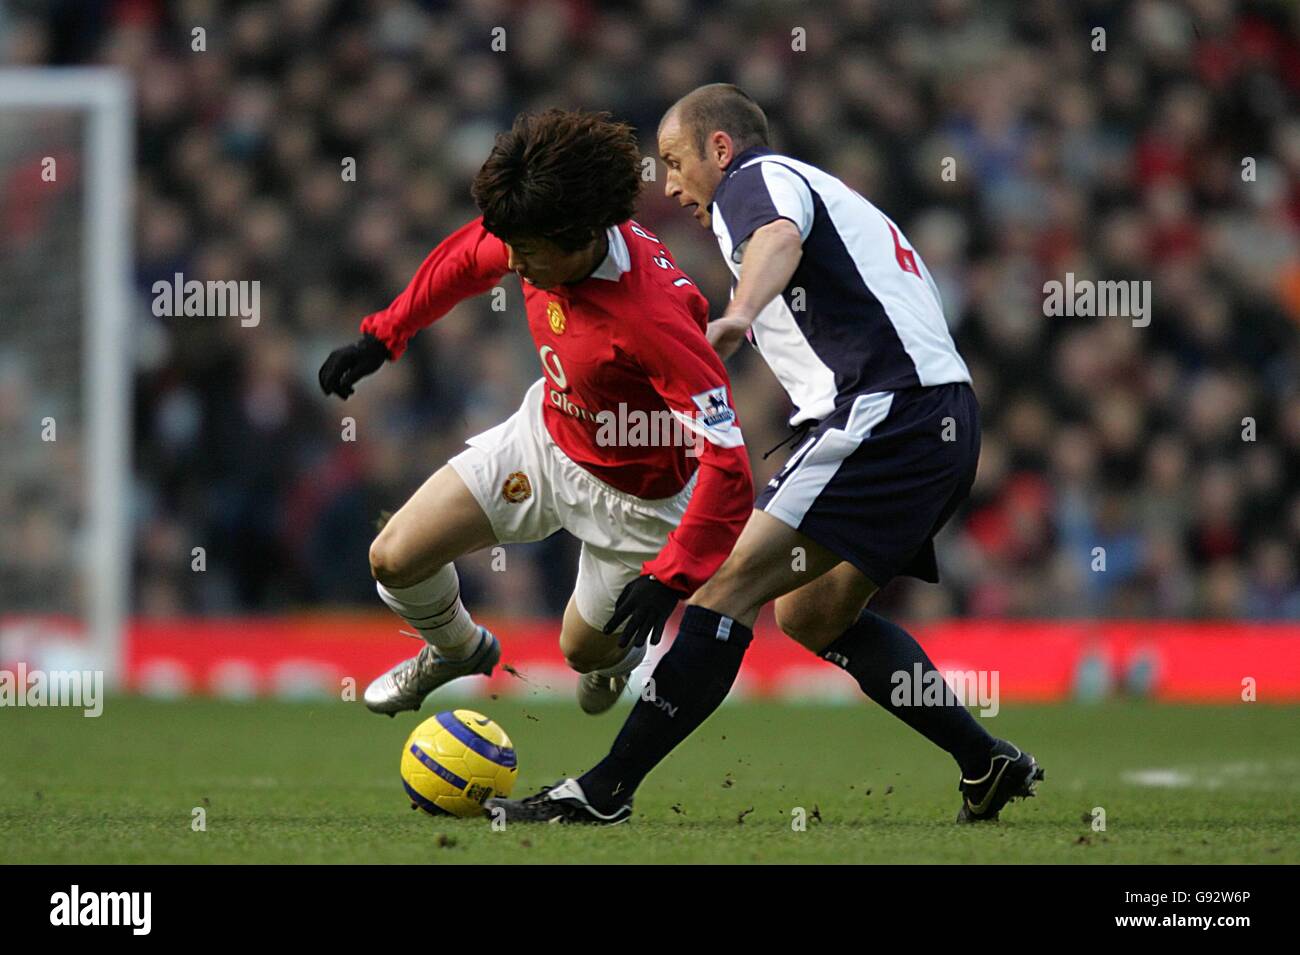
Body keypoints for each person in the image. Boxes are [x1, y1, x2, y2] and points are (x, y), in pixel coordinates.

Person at [488, 85, 1042, 825]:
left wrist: (740, 315)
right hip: (938, 417)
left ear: (720, 147)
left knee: (724, 590)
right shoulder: (821, 190)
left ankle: (604, 790)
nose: (672, 183)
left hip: (887, 412)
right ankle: (985, 760)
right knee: (814, 616)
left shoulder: (755, 180)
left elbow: (777, 237)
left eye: (676, 161)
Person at [319, 109, 752, 719]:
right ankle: (457, 650)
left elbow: (729, 464)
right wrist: (384, 336)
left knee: (581, 652)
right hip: (546, 437)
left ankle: (613, 659)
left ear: (580, 239)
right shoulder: (539, 230)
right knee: (393, 556)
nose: (515, 264)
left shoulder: (652, 319)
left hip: (640, 501)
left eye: (527, 254)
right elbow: (467, 258)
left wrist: (673, 575)